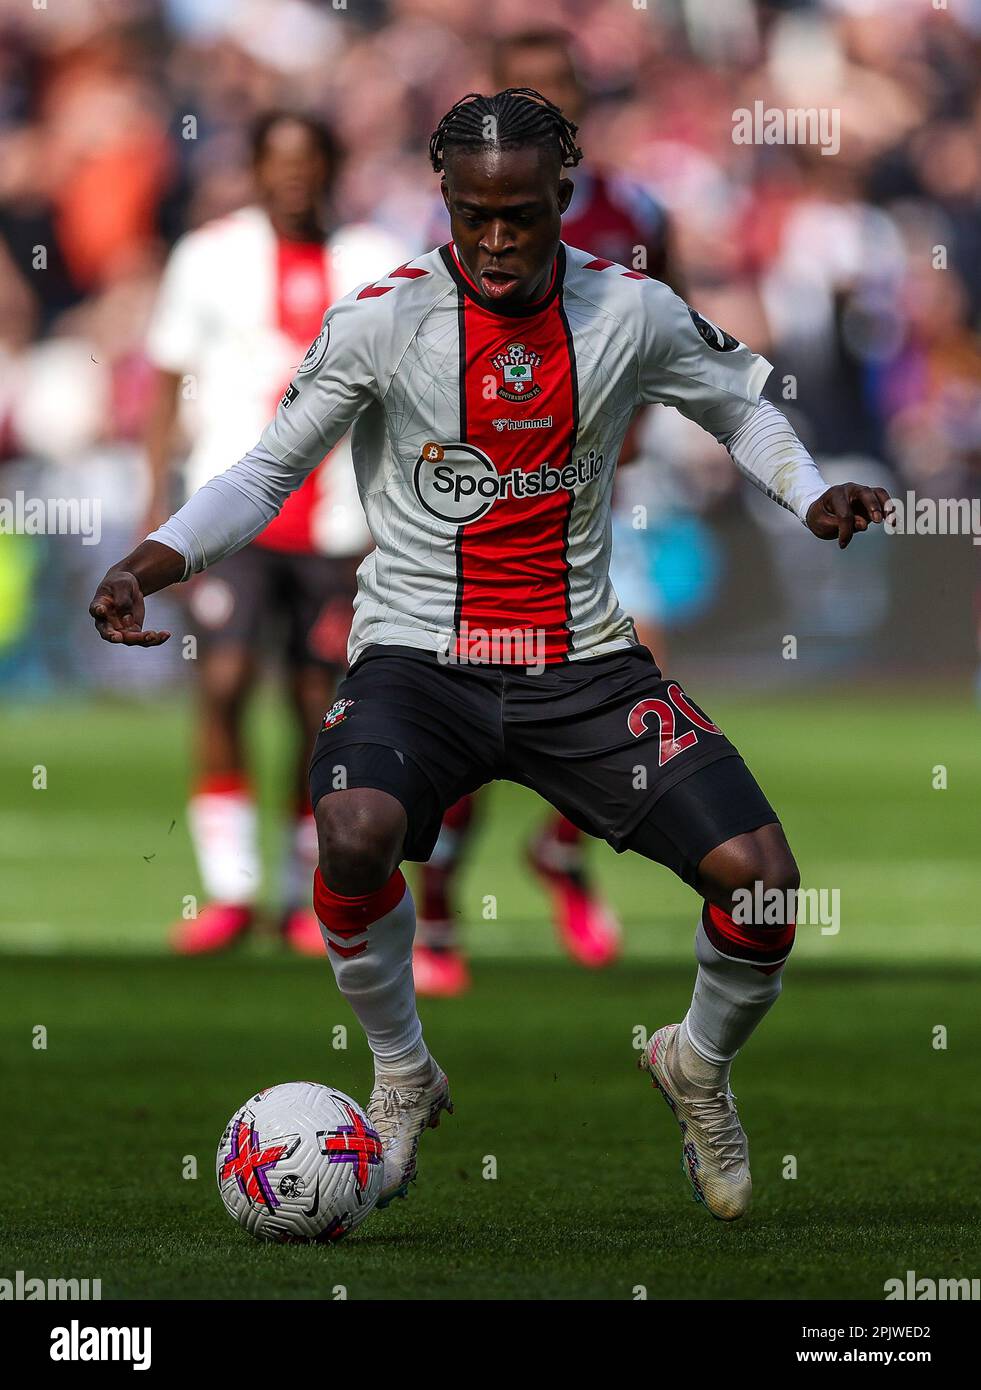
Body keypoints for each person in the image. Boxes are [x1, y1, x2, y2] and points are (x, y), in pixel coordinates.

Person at [90, 89, 890, 1222]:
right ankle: (403, 1072)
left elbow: (742, 409)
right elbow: (265, 471)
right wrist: (151, 560)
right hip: (419, 658)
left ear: (563, 196)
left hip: (585, 661)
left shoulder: (634, 310)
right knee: (355, 833)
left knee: (764, 890)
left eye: (521, 213)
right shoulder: (383, 319)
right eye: (475, 216)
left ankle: (696, 1066)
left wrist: (810, 494)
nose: (499, 239)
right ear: (446, 204)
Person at [415, 30, 683, 995]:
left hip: (608, 472)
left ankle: (563, 848)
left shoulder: (633, 209)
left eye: (559, 95)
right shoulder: (467, 211)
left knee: (634, 659)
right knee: (478, 690)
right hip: (497, 480)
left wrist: (645, 421)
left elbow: (668, 317)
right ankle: (439, 913)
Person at [142, 110, 402, 955]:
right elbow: (166, 381)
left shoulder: (374, 258)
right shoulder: (208, 255)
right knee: (221, 680)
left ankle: (299, 891)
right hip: (232, 513)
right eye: (277, 160)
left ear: (330, 164)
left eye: (308, 159)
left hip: (338, 521)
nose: (293, 176)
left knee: (317, 705)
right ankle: (229, 889)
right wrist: (160, 506)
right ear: (254, 167)